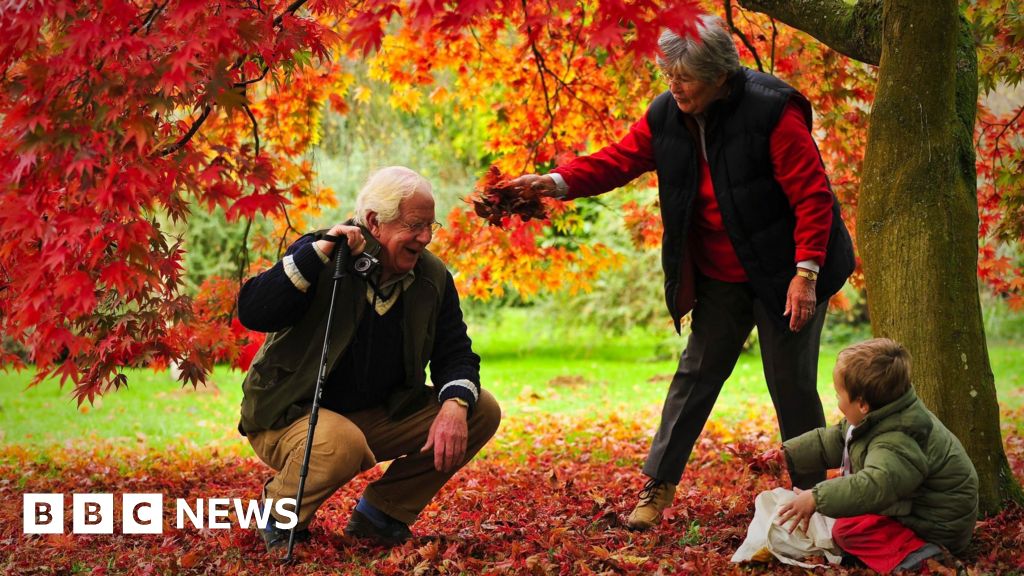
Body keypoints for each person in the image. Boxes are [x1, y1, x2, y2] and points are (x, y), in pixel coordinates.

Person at [509, 14, 855, 530]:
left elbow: (812, 198)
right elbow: (615, 161)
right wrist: (554, 183)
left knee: (792, 384)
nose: (674, 86)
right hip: (719, 275)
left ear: (720, 77)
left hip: (787, 273)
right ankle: (658, 485)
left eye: (685, 77)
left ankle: (813, 498)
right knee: (694, 377)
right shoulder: (665, 114)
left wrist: (805, 274)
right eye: (668, 74)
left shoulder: (773, 112)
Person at [237, 166, 501, 551]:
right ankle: (278, 513)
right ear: (375, 222)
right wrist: (319, 253)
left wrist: (455, 406)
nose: (425, 238)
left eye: (431, 226)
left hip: (375, 416)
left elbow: (455, 352)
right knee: (341, 441)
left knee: (479, 409)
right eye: (415, 225)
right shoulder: (324, 255)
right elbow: (254, 311)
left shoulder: (432, 277)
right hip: (289, 415)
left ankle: (381, 515)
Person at [776, 338, 978, 573]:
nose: (838, 402)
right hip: (914, 506)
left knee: (846, 530)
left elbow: (875, 487)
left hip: (936, 525)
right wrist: (788, 455)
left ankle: (923, 559)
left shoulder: (896, 439)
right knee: (841, 496)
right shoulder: (882, 413)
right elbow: (837, 440)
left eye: (839, 395)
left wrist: (816, 498)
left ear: (861, 404)